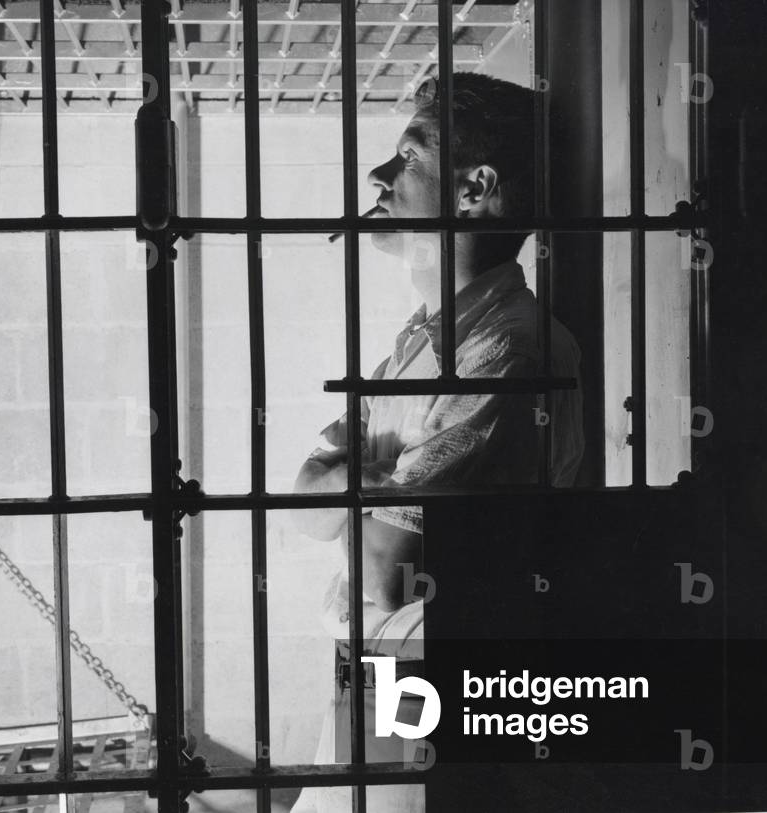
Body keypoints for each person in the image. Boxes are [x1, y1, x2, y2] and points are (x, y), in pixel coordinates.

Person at [289, 72, 585, 813]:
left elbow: (386, 574)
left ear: (474, 187)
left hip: (427, 676)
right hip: (381, 664)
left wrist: (351, 475)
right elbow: (305, 510)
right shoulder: (419, 345)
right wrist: (375, 480)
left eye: (408, 156)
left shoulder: (509, 351)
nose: (379, 176)